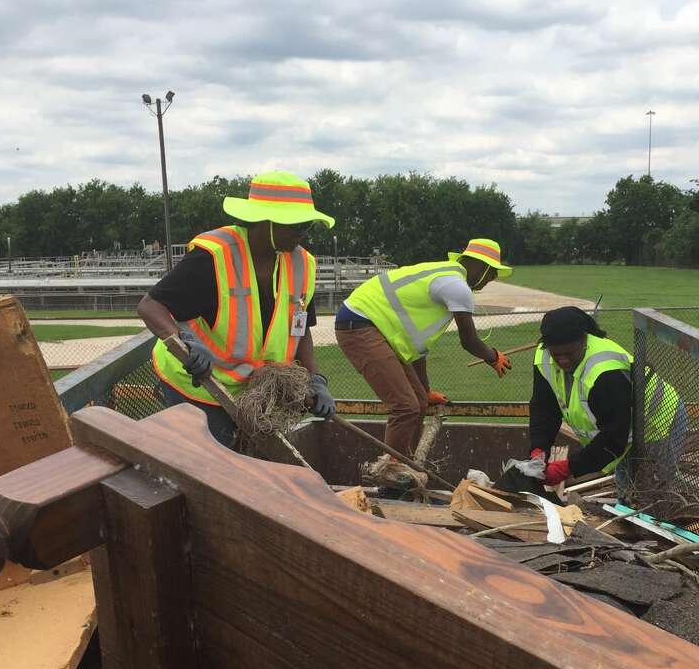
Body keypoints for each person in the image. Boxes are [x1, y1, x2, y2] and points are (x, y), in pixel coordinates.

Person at [137, 171, 336, 448]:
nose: (302, 232)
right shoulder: (214, 256)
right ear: (266, 221)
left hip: (250, 389)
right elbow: (150, 306)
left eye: (307, 225)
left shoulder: (302, 264)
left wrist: (316, 380)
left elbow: (300, 329)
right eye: (295, 225)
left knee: (245, 462)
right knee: (213, 464)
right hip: (198, 383)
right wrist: (186, 344)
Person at [335, 238, 513, 457]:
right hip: (360, 323)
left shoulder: (445, 275)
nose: (492, 279)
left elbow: (416, 347)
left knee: (418, 402)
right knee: (405, 407)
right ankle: (392, 479)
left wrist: (425, 390)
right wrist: (493, 357)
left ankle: (407, 466)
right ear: (482, 267)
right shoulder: (457, 286)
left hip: (372, 325)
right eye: (493, 273)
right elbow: (469, 341)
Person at [528, 306, 687, 499]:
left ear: (583, 340)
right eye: (556, 353)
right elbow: (545, 408)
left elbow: (614, 439)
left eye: (569, 353)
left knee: (652, 496)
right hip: (623, 430)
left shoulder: (604, 372)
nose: (563, 360)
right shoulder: (544, 356)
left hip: (659, 423)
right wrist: (539, 448)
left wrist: (568, 468)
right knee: (627, 495)